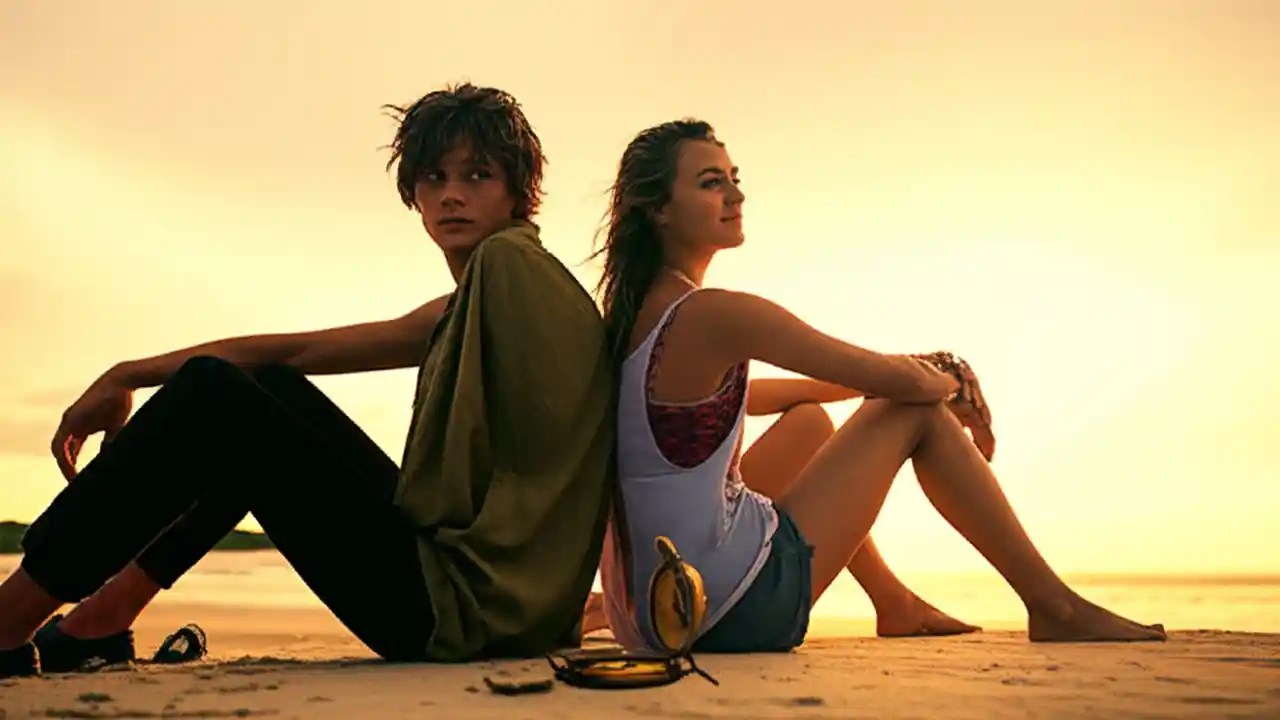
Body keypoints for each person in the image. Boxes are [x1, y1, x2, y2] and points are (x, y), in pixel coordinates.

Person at [0, 83, 615, 679]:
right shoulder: (474, 299)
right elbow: (297, 350)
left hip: (461, 612)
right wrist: (128, 372)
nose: (452, 195)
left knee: (220, 400)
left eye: (477, 176)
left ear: (518, 192)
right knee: (267, 391)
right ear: (414, 193)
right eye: (434, 178)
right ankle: (99, 622)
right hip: (482, 602)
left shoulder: (512, 269)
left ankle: (8, 621)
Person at [594, 118, 1166, 654]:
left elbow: (750, 398)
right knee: (911, 413)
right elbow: (889, 381)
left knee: (811, 423)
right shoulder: (717, 315)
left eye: (734, 180)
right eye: (711, 183)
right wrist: (950, 377)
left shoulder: (636, 316)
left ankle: (893, 602)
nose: (736, 197)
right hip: (732, 612)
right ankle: (1054, 606)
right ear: (658, 211)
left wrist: (870, 384)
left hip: (653, 618)